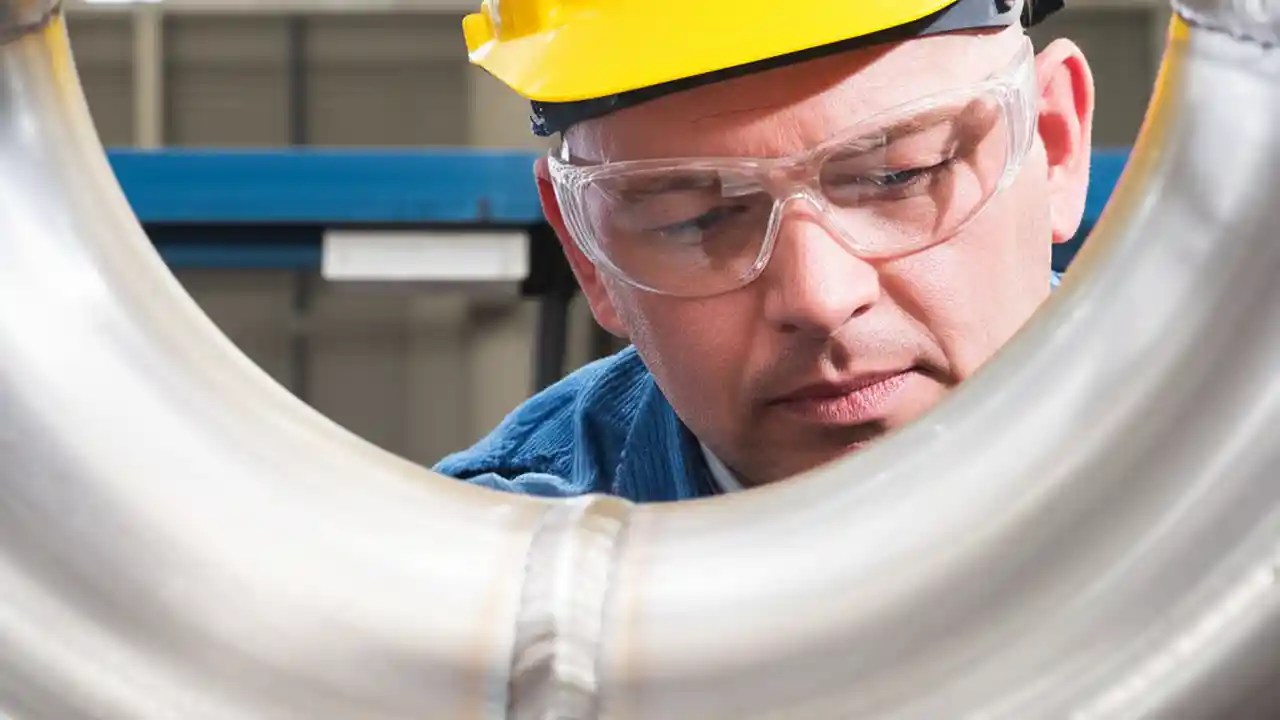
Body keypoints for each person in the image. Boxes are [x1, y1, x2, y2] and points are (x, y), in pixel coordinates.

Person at [436, 0, 1095, 502]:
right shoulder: (469, 594)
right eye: (696, 221)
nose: (821, 297)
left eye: (898, 176)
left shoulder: (1200, 491)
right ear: (587, 254)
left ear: (1055, 143)